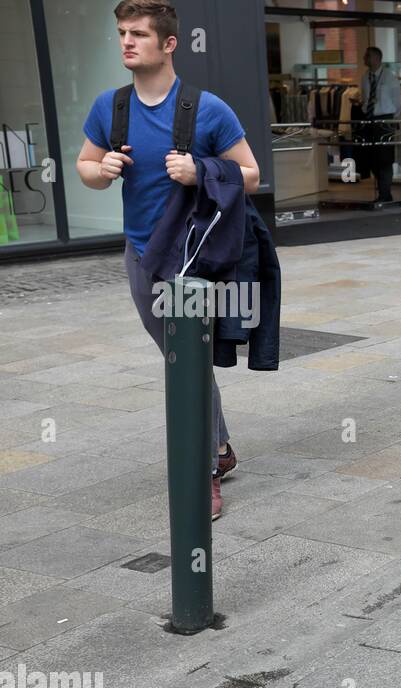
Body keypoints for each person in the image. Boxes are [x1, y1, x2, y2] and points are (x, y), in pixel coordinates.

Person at [76, 0, 259, 521]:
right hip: (140, 252)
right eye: (121, 33)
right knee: (181, 360)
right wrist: (102, 167)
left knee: (186, 362)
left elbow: (250, 175)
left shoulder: (208, 109)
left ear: (169, 43)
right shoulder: (109, 107)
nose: (126, 43)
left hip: (192, 257)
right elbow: (84, 165)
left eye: (137, 34)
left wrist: (201, 170)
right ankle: (219, 447)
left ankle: (204, 473)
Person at [353, 46, 400, 203]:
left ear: (377, 58)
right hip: (369, 120)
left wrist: (393, 119)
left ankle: (385, 194)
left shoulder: (389, 77)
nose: (364, 59)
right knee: (372, 158)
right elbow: (366, 98)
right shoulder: (365, 77)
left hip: (385, 120)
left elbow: (397, 101)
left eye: (367, 56)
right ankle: (383, 191)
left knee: (385, 158)